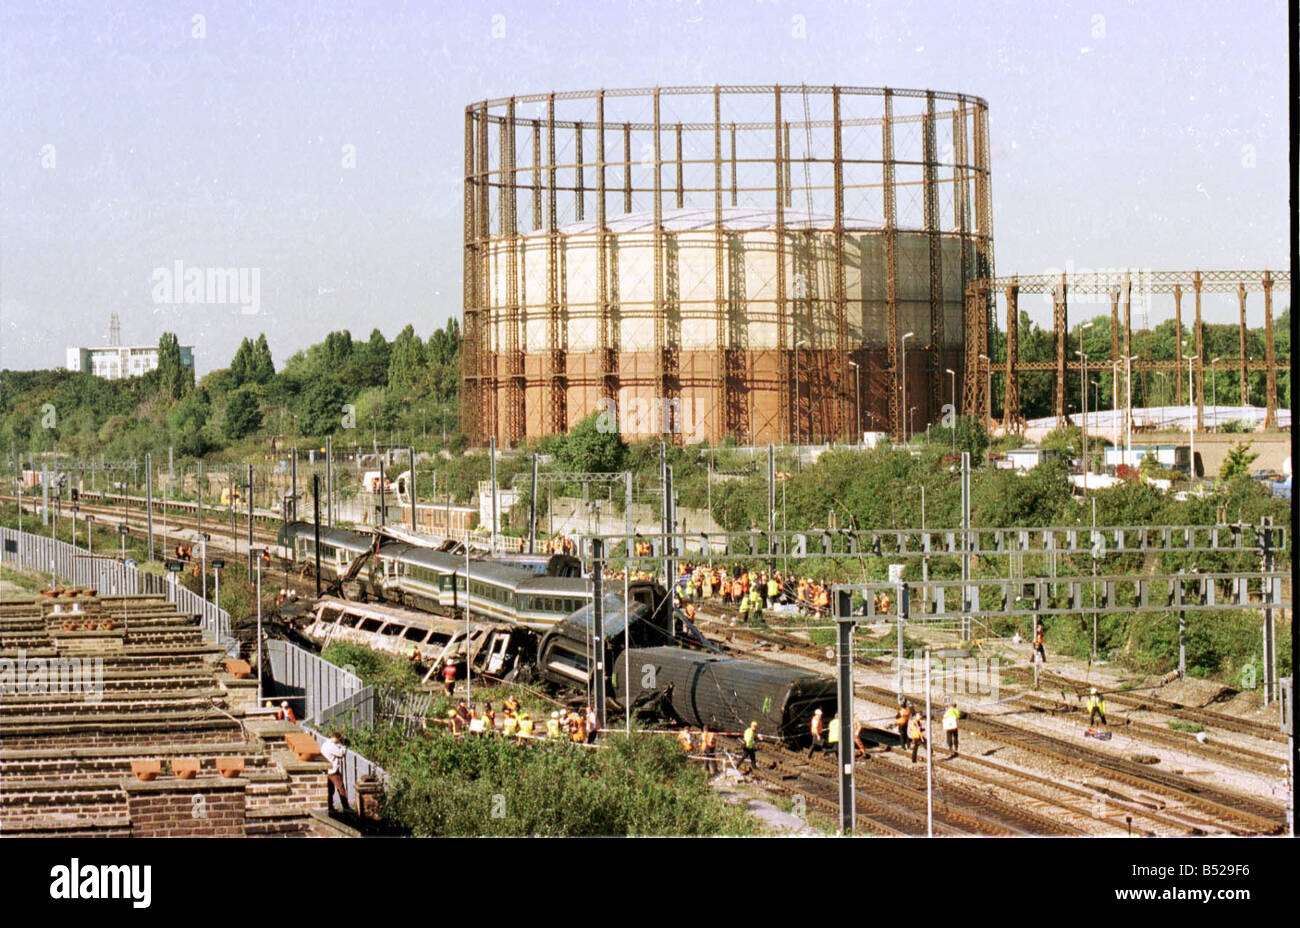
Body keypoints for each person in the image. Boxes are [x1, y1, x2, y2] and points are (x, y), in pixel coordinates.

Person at [321, 732, 350, 814]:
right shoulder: (331, 746)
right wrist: (344, 746)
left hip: (327, 770)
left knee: (330, 790)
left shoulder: (325, 744)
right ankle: (346, 807)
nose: (339, 741)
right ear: (336, 738)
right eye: (339, 740)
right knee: (341, 788)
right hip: (333, 771)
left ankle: (330, 807)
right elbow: (341, 754)